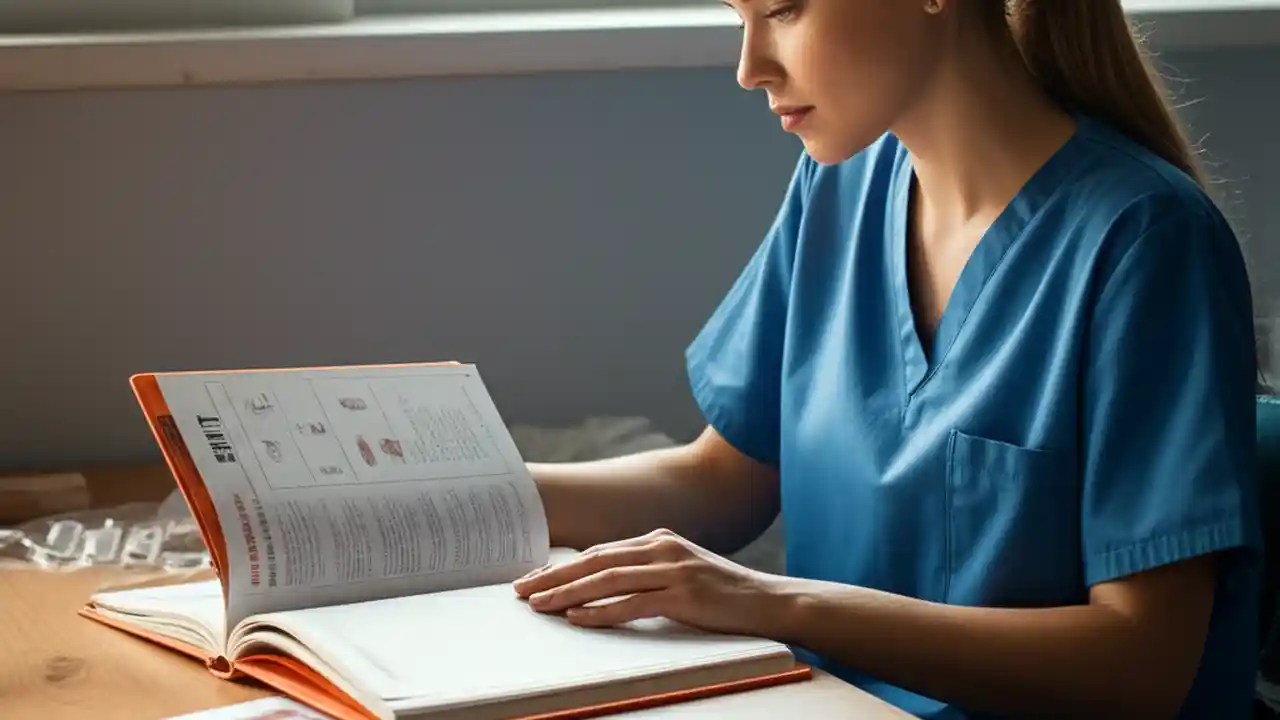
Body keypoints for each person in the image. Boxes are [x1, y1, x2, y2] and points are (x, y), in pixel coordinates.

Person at [512, 0, 1261, 717]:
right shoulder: (840, 181)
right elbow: (720, 479)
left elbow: (1142, 667)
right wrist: (447, 495)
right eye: (738, 19)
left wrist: (771, 600)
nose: (750, 67)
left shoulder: (1144, 242)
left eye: (783, 11)